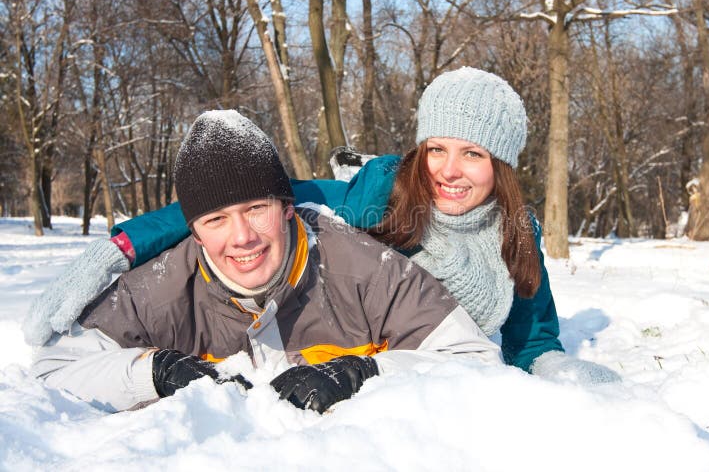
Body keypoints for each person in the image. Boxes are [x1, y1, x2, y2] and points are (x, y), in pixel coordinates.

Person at [25, 68, 618, 385]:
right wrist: (121, 246)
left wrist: (548, 361)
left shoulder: (518, 230)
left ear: (503, 165)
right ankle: (350, 164)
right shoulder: (385, 195)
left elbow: (530, 329)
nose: (448, 172)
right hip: (363, 325)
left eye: (473, 155)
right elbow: (255, 203)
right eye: (436, 148)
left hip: (424, 352)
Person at [29, 110, 503, 413]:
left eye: (257, 210)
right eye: (216, 219)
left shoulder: (364, 267)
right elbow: (53, 372)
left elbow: (476, 358)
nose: (241, 238)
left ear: (286, 208)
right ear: (193, 232)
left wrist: (363, 374)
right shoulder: (160, 288)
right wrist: (152, 371)